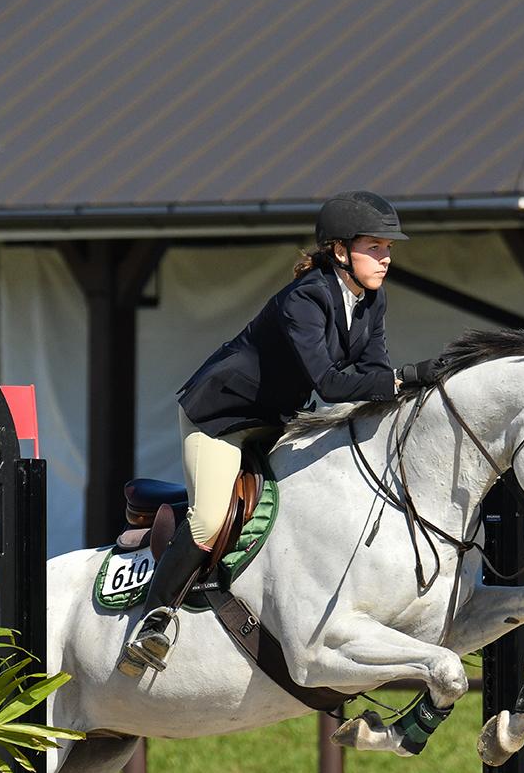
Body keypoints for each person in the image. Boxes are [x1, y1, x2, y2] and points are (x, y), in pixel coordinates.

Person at [117, 190, 442, 675]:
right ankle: (152, 622)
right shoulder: (305, 298)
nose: (386, 257)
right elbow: (331, 383)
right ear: (339, 251)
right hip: (222, 419)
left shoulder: (372, 300)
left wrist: (403, 387)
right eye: (375, 246)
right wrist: (408, 377)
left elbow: (375, 370)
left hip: (278, 419)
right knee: (208, 519)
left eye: (388, 248)